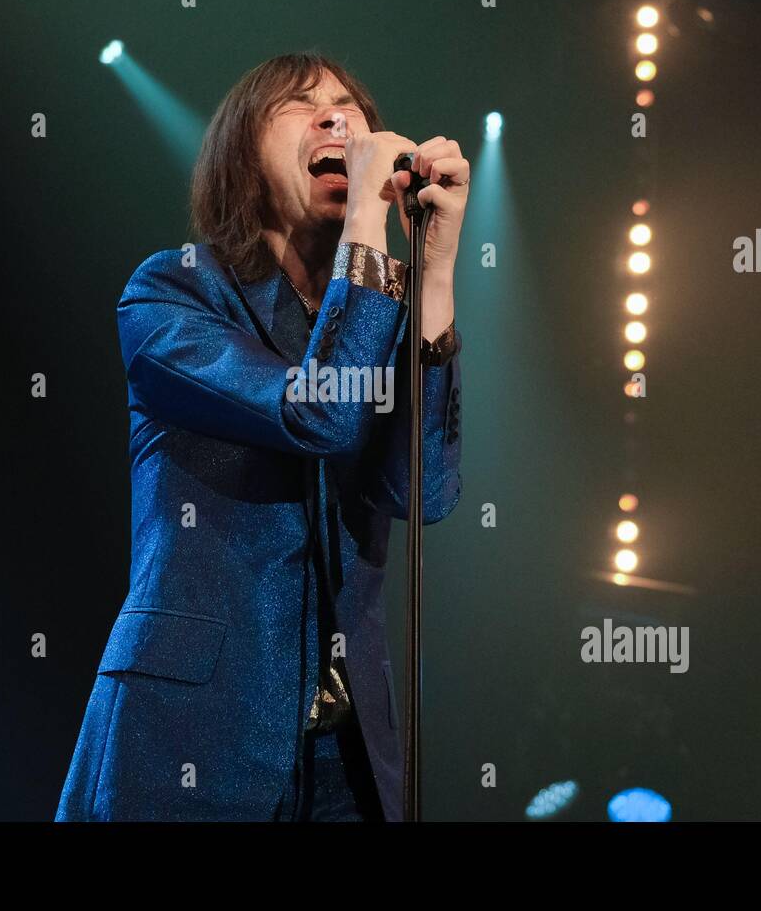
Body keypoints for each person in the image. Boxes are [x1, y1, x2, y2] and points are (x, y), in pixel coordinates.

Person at [56, 52, 467, 821]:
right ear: (242, 154)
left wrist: (435, 273)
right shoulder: (171, 293)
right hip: (193, 738)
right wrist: (367, 227)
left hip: (345, 756)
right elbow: (317, 412)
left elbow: (426, 491)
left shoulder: (371, 311)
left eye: (349, 104)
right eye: (301, 104)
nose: (336, 118)